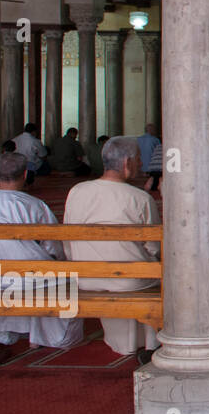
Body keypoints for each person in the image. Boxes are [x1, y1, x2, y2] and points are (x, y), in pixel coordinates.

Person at [62, 137, 161, 361]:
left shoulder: (77, 191)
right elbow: (153, 248)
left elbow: (67, 242)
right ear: (127, 163)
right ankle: (152, 342)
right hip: (131, 280)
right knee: (162, 275)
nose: (142, 165)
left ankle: (125, 342)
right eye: (138, 159)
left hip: (86, 276)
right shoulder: (140, 198)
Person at [0, 152, 84, 352]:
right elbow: (52, 247)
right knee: (64, 278)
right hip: (31, 279)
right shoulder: (34, 206)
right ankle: (44, 337)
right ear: (25, 174)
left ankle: (3, 331)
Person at [136, 123, 162, 192]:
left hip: (140, 168)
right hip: (152, 169)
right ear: (153, 130)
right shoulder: (155, 140)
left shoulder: (138, 139)